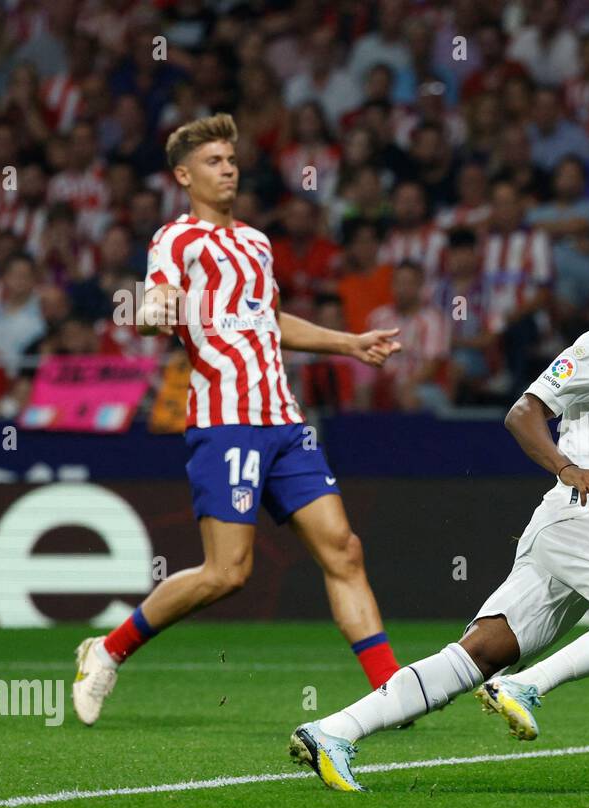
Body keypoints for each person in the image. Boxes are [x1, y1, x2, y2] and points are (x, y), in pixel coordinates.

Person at [290, 237, 589, 791]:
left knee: (481, 652)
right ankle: (525, 687)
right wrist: (568, 467)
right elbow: (523, 414)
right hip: (579, 514)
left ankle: (333, 730)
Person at [71, 114, 405, 726]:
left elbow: (268, 320)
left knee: (344, 550)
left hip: (284, 419)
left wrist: (348, 343)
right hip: (226, 421)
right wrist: (153, 310)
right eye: (213, 162)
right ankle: (108, 649)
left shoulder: (255, 241)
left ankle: (391, 693)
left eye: (230, 160)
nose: (227, 170)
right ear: (183, 174)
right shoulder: (176, 240)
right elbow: (154, 307)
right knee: (227, 573)